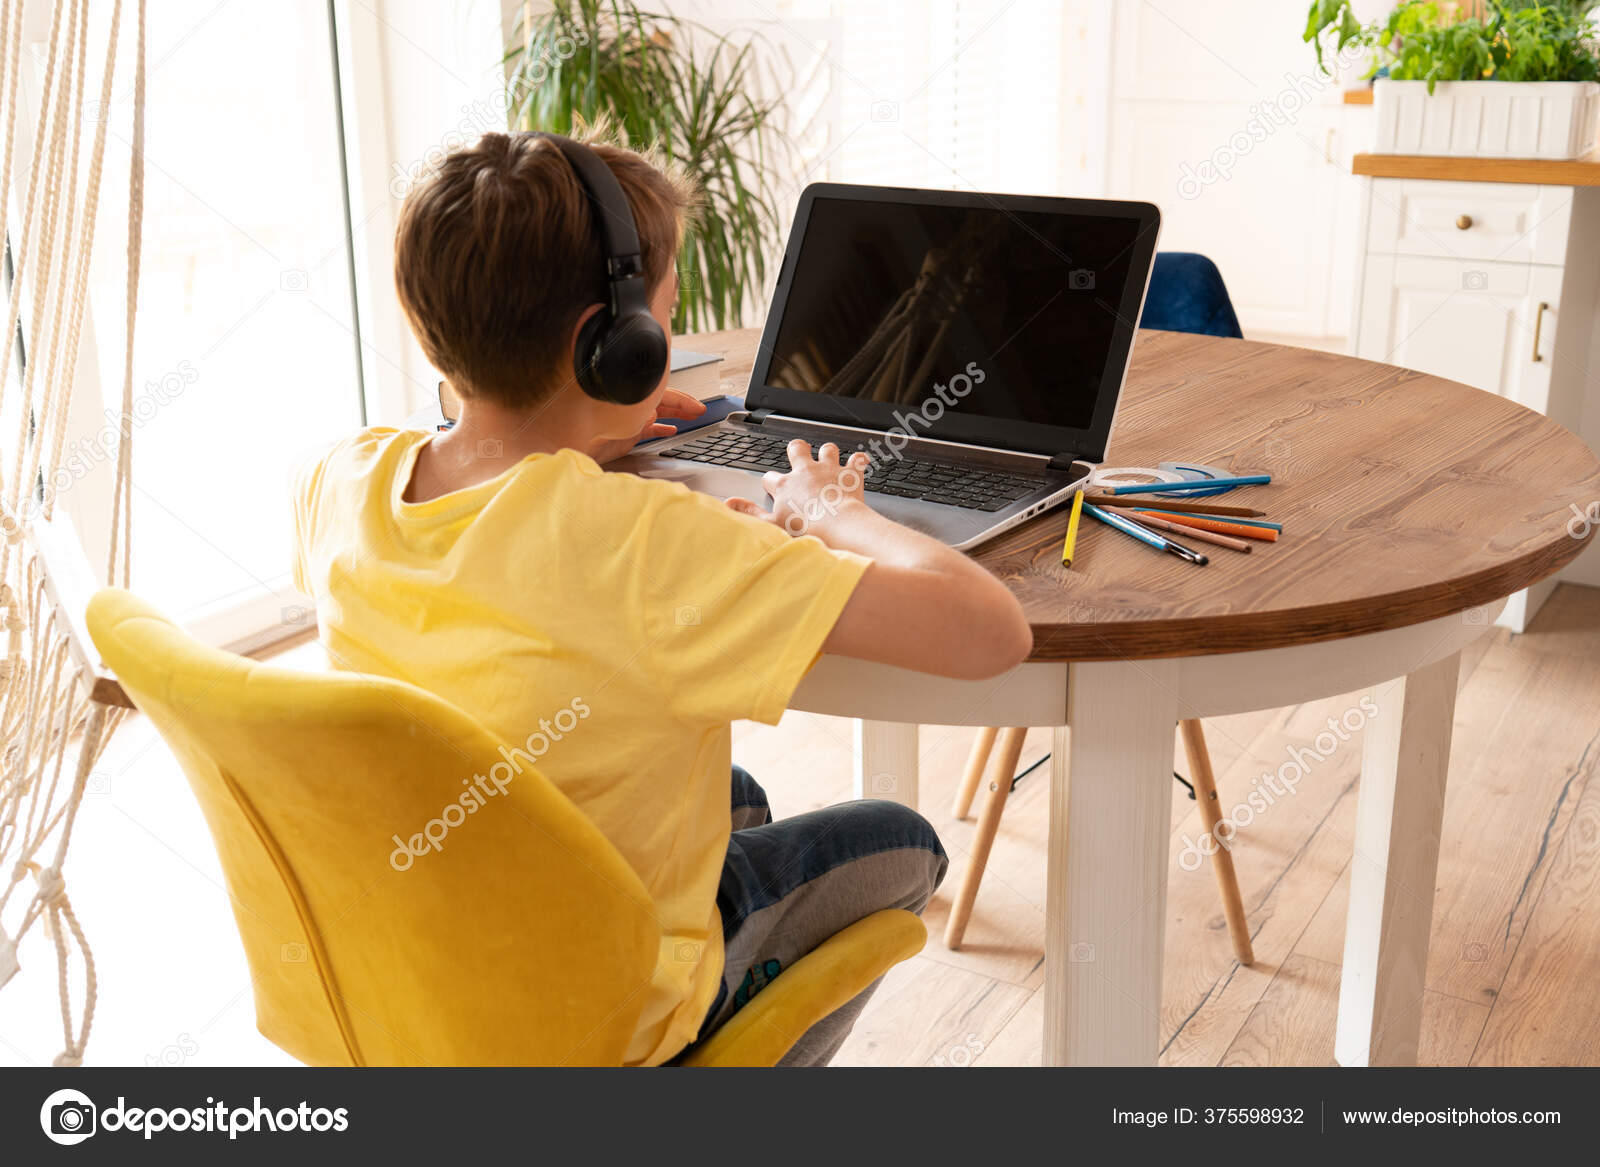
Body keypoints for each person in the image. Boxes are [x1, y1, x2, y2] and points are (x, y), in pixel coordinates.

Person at [292, 129, 1032, 1066]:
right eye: (661, 325)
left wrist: (576, 432)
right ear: (612, 347)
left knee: (736, 798)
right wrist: (835, 510)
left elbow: (486, 511)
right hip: (601, 1016)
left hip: (427, 970)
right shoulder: (655, 548)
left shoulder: (339, 480)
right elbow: (988, 631)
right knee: (906, 842)